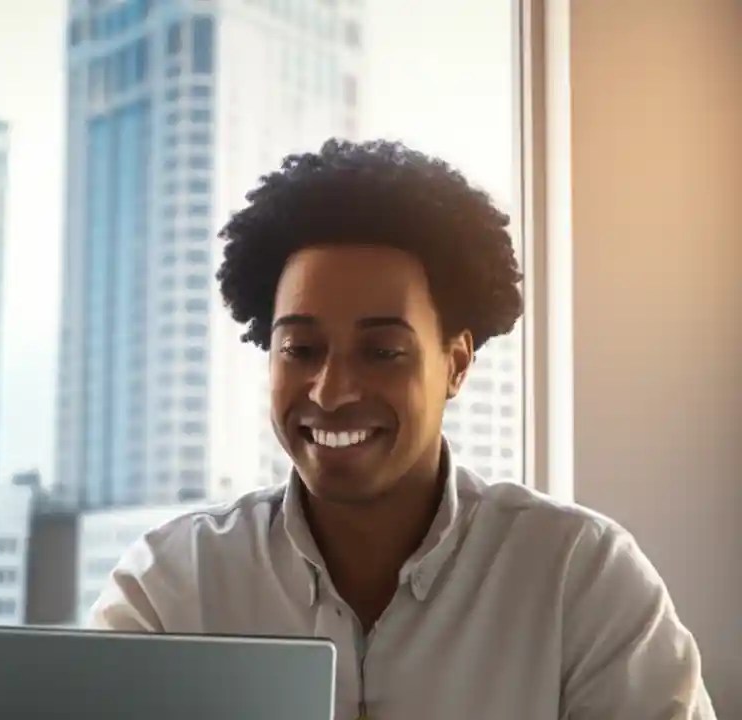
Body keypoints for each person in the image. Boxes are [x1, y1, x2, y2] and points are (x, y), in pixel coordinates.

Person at [89, 140, 715, 719]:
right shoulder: (172, 587)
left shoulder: (580, 578)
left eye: (383, 352)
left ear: (456, 364)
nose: (331, 391)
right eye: (300, 349)